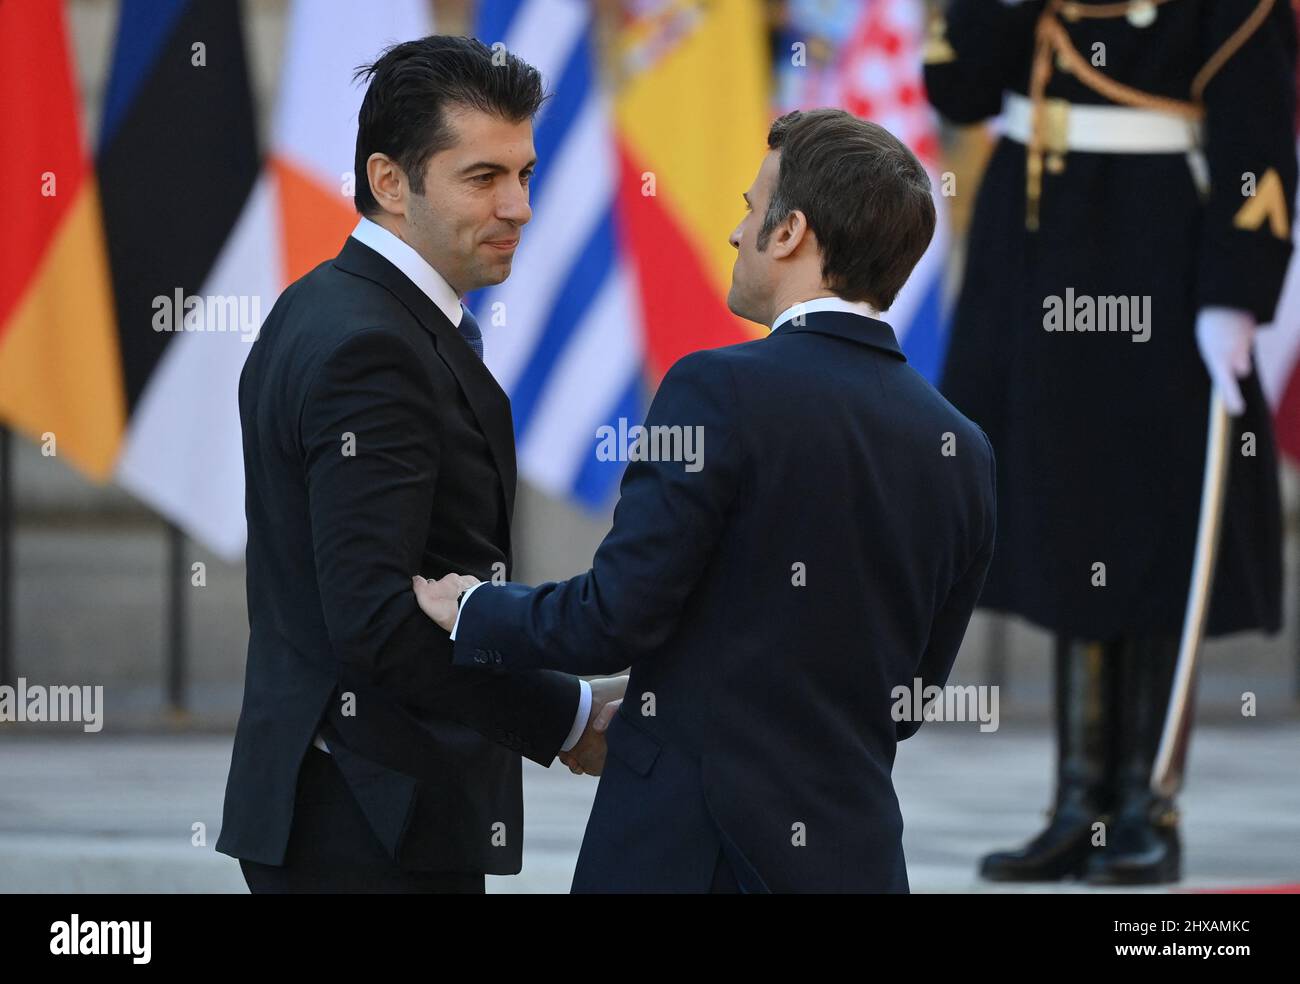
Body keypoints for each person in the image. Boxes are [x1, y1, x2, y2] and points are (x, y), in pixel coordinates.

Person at [414, 109, 998, 893]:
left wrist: (478, 610)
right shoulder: (962, 446)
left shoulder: (714, 389)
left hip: (687, 852)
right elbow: (909, 697)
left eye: (751, 209)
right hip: (853, 856)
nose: (735, 232)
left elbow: (611, 618)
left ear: (789, 233)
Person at [216, 36, 625, 894]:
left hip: (361, 811)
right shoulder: (372, 344)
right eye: (483, 178)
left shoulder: (329, 305)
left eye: (525, 173)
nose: (518, 206)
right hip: (369, 823)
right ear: (390, 181)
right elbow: (374, 621)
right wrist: (565, 714)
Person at [923, 0, 1296, 883]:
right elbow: (960, 88)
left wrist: (1236, 291)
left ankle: (1147, 806)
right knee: (1067, 521)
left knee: (1152, 523)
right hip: (1037, 245)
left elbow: (1258, 144)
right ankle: (1079, 804)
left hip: (1157, 250)